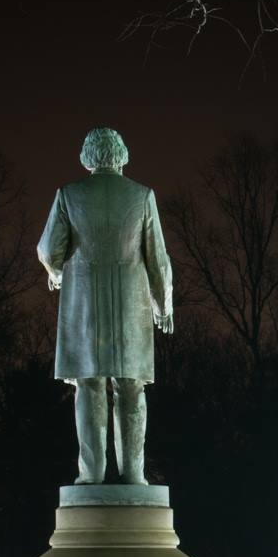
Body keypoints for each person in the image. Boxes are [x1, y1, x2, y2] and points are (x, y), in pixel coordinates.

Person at [36, 126, 175, 486]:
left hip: (84, 301)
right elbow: (158, 258)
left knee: (90, 386)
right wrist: (164, 303)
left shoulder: (69, 195)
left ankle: (91, 474)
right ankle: (134, 475)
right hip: (131, 302)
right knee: (131, 387)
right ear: (121, 153)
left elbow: (49, 249)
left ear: (88, 155)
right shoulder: (142, 196)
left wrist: (56, 274)